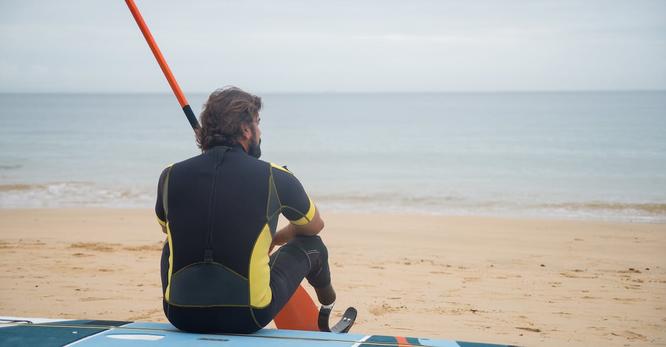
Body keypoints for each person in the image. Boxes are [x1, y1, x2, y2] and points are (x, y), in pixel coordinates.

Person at [155, 87, 336, 333]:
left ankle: (189, 298)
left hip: (180, 314)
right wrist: (276, 238)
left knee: (171, 242)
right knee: (313, 245)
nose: (260, 132)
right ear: (246, 130)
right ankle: (327, 308)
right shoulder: (275, 176)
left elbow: (168, 228)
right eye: (258, 124)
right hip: (247, 316)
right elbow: (313, 226)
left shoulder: (170, 175)